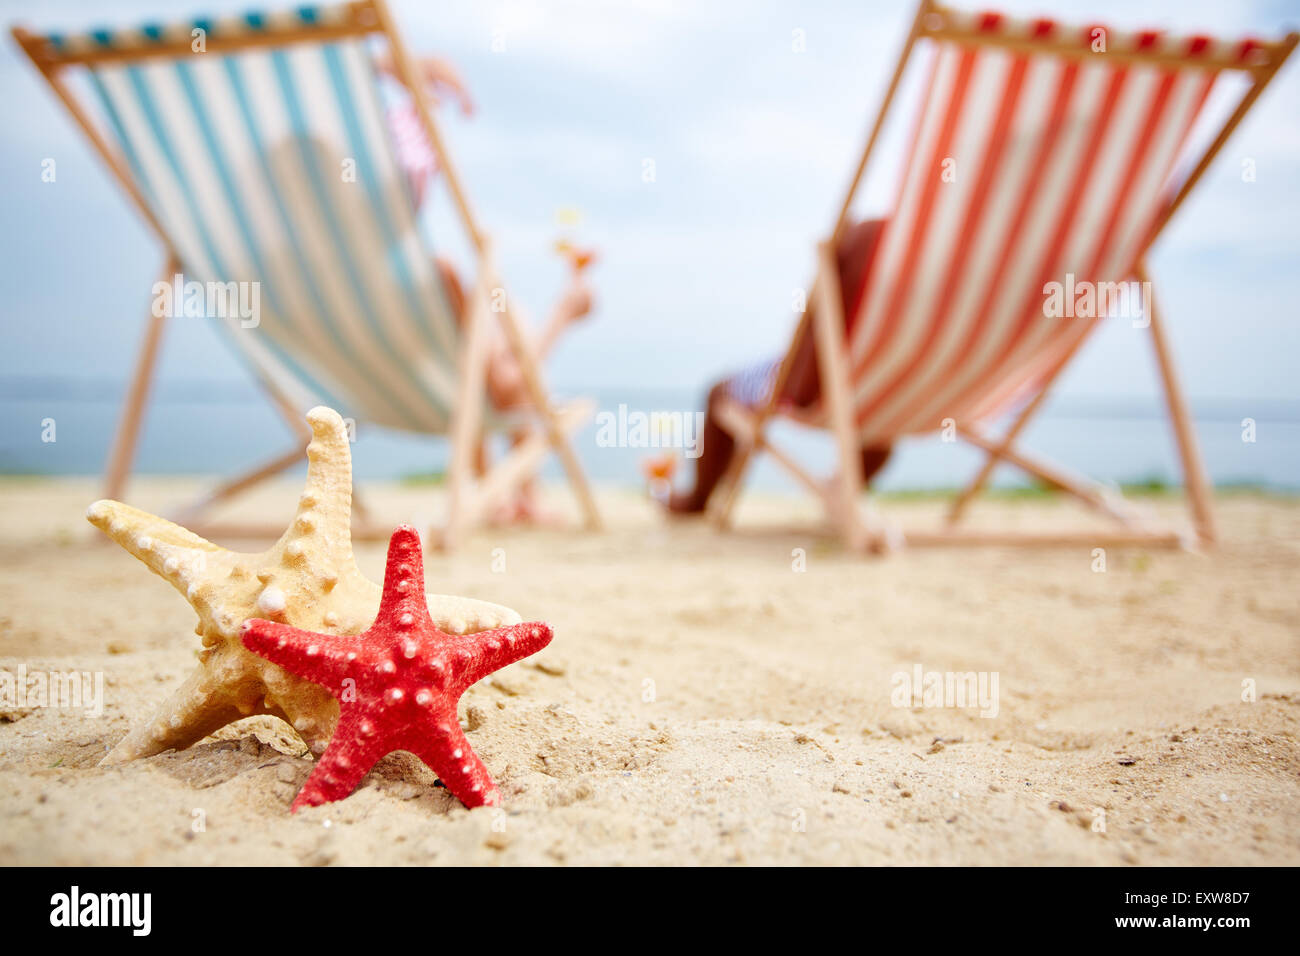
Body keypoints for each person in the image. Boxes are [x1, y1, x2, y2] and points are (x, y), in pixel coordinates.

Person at [382, 52, 596, 520]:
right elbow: (504, 386)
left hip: (384, 383)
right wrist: (563, 314)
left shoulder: (352, 274)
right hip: (468, 394)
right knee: (501, 309)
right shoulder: (436, 273)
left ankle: (505, 494)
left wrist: (397, 69)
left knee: (495, 314)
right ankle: (517, 497)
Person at [656, 218, 892, 515]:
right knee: (882, 410)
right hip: (907, 386)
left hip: (822, 381)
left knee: (720, 392)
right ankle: (845, 487)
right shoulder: (935, 250)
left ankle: (698, 500)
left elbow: (814, 334)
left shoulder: (870, 235)